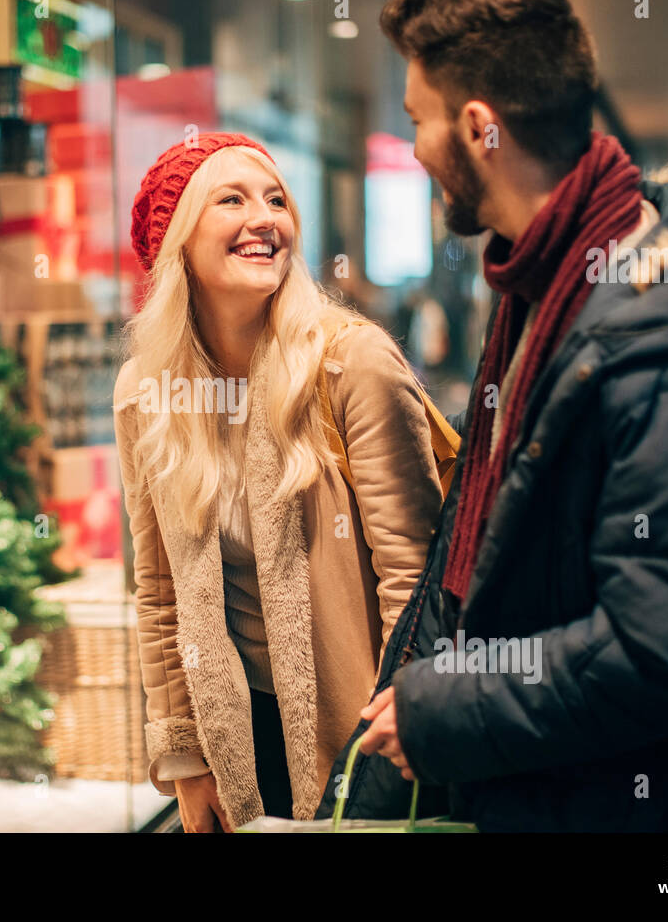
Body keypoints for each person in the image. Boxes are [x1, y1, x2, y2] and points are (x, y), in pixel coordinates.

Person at [327, 0, 668, 831]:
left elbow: (665, 647)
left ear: (479, 126)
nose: (411, 149)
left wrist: (445, 709)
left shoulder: (664, 345)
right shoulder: (541, 289)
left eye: (416, 121)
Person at [115, 133, 445, 831]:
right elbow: (160, 592)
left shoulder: (353, 366)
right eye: (230, 199)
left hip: (360, 730)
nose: (265, 218)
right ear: (178, 241)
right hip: (236, 732)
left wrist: (393, 748)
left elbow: (413, 590)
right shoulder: (146, 390)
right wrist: (186, 755)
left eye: (276, 200)